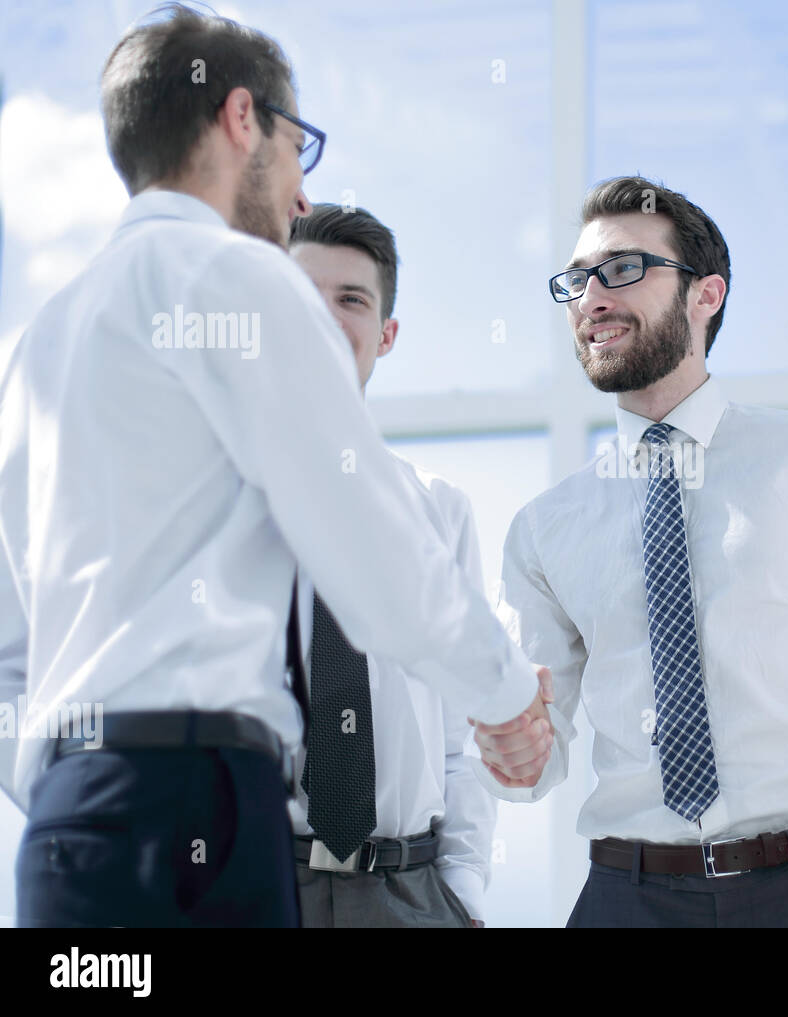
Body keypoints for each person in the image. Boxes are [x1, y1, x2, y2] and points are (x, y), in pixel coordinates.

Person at [0, 4, 550, 928]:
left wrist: (69, 788)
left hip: (66, 834)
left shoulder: (35, 345)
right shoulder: (243, 283)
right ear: (241, 117)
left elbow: (10, 654)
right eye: (303, 148)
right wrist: (505, 697)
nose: (300, 195)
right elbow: (379, 560)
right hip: (206, 803)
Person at [472, 176, 788, 928]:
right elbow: (538, 753)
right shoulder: (545, 526)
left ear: (706, 294)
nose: (592, 297)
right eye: (577, 280)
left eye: (623, 269)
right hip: (624, 898)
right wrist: (514, 750)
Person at [287, 203, 498, 927]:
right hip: (262, 886)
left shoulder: (439, 511)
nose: (324, 317)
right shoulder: (225, 506)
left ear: (387, 333)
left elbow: (465, 732)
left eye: (351, 298)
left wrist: (463, 890)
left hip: (411, 895)